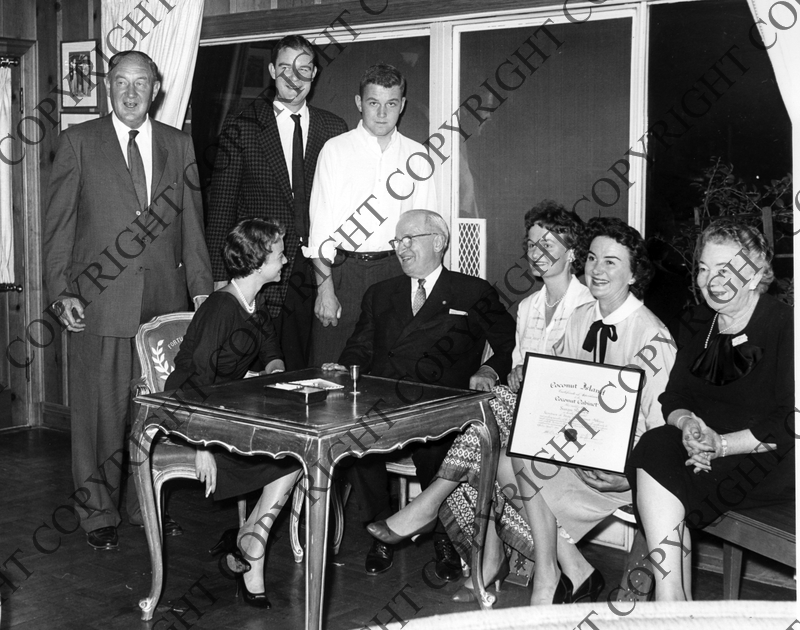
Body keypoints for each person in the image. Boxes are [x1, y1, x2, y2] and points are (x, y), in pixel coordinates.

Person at [366, 201, 594, 602]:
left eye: (549, 242)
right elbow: (517, 363)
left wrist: (506, 376)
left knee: (480, 423)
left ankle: (434, 511)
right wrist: (512, 373)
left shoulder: (590, 306)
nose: (537, 251)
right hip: (529, 417)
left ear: (573, 251)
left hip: (573, 424)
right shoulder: (529, 308)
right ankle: (543, 565)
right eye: (532, 243)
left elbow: (587, 384)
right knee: (485, 447)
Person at [42, 51, 213, 551]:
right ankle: (98, 514)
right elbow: (58, 229)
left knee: (153, 416)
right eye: (121, 82)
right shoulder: (78, 143)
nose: (132, 92)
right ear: (108, 87)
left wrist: (201, 291)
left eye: (141, 82)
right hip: (98, 302)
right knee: (98, 415)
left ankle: (144, 506)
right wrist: (61, 293)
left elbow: (192, 226)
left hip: (162, 304)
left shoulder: (179, 145)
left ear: (156, 88)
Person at [323, 209, 515, 581]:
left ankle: (443, 537)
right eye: (397, 241)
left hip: (440, 408)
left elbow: (511, 345)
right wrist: (344, 368)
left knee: (437, 454)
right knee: (357, 447)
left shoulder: (473, 291)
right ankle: (381, 531)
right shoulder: (380, 293)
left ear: (439, 242)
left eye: (410, 239)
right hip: (385, 405)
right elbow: (359, 347)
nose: (401, 248)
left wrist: (489, 369)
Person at [626, 220, 794, 601]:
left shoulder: (785, 326)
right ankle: (673, 600)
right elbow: (673, 397)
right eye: (703, 268)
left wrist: (721, 445)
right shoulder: (699, 321)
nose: (710, 280)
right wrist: (687, 426)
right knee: (655, 444)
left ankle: (671, 607)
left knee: (662, 470)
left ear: (754, 276)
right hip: (702, 451)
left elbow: (789, 422)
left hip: (763, 460)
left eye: (726, 270)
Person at [521, 217, 676, 605]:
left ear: (634, 273)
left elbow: (661, 436)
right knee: (516, 461)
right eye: (592, 258)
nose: (596, 269)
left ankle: (562, 578)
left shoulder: (652, 337)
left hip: (629, 469)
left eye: (611, 262)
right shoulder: (580, 318)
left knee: (523, 468)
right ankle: (548, 574)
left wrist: (626, 477)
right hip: (581, 451)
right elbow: (557, 389)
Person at [166, 218, 301, 609]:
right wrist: (201, 445)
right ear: (259, 262)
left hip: (225, 413)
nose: (285, 260)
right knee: (290, 458)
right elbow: (190, 382)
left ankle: (248, 543)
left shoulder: (252, 302)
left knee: (296, 454)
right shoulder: (221, 309)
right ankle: (251, 551)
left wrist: (274, 371)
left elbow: (272, 351)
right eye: (279, 254)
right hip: (190, 416)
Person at [205, 35, 347, 370]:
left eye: (303, 69)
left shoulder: (334, 128)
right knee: (260, 362)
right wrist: (217, 277)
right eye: (284, 68)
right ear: (271, 71)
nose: (293, 78)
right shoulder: (242, 125)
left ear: (314, 75)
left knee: (308, 362)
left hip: (318, 265)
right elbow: (223, 202)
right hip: (260, 262)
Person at [305, 63, 438, 366]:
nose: (381, 113)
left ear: (402, 106)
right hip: (343, 273)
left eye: (391, 104)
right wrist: (324, 289)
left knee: (388, 369)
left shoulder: (418, 156)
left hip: (396, 272)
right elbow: (320, 228)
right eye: (373, 103)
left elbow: (427, 232)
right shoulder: (335, 150)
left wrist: (422, 289)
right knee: (330, 367)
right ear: (359, 103)